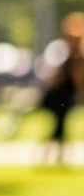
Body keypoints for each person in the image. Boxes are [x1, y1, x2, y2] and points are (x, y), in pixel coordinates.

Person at [40, 12, 84, 165]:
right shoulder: (61, 52)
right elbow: (54, 77)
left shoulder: (77, 57)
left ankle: (55, 157)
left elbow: (78, 80)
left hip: (66, 97)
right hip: (57, 96)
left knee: (59, 128)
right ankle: (52, 157)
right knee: (58, 128)